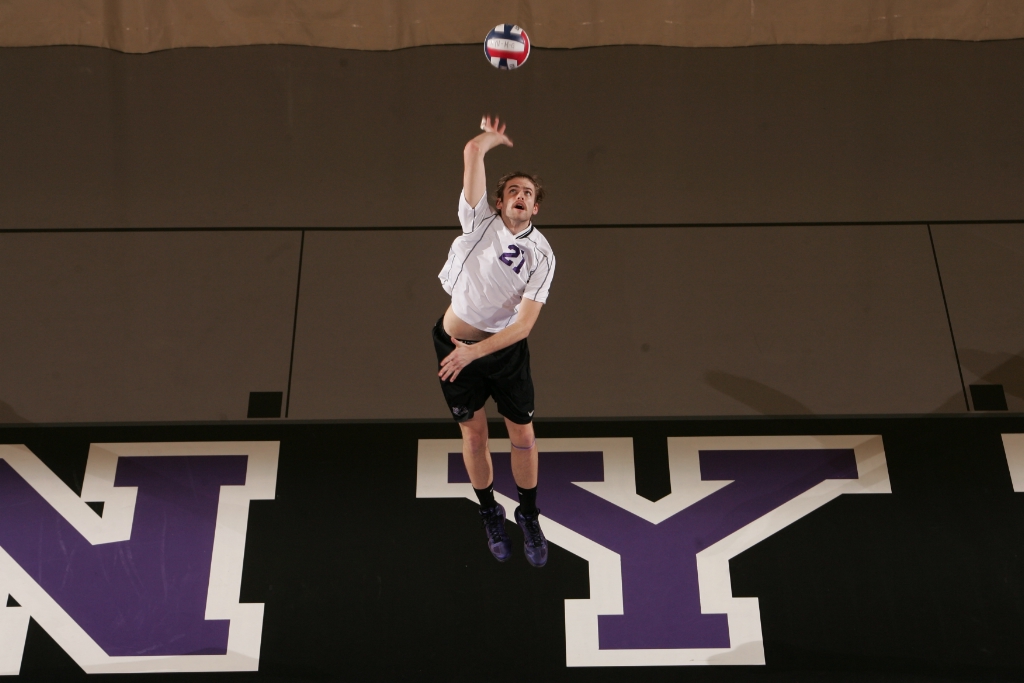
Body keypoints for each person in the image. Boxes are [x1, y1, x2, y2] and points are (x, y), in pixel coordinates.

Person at [434, 115, 555, 568]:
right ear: (499, 202)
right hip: (453, 347)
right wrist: (491, 139)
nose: (521, 196)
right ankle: (489, 511)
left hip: (500, 352)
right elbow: (471, 152)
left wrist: (477, 352)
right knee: (475, 435)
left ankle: (528, 514)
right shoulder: (478, 220)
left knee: (522, 434)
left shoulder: (541, 255)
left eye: (529, 193)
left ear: (535, 208)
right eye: (513, 191)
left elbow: (523, 326)